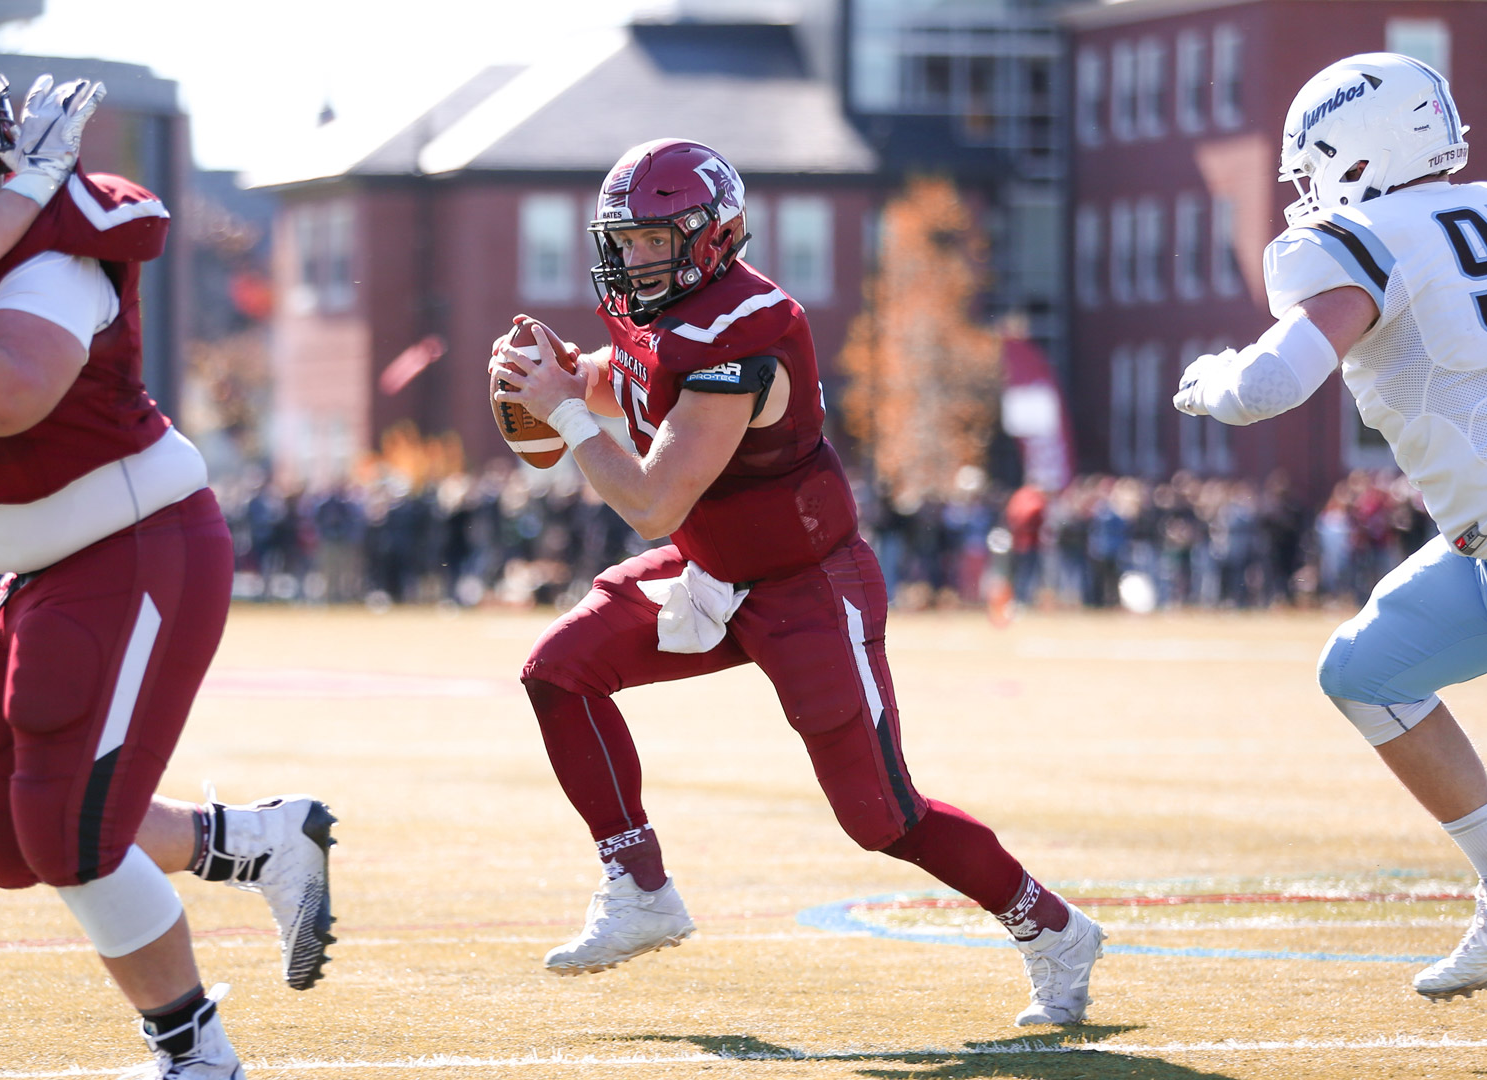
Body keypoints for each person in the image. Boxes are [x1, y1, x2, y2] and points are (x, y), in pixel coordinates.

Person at [492, 138, 1105, 1027]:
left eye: (649, 241)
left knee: (881, 816)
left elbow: (654, 501)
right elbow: (619, 376)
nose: (630, 259)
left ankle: (1053, 929)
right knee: (559, 669)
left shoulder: (745, 332)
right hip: (714, 567)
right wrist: (557, 371)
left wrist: (558, 411)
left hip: (808, 585)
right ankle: (638, 882)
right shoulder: (673, 310)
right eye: (621, 241)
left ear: (710, 236)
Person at [0, 42, 336, 1076]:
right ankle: (252, 839)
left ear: (4, 118)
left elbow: (6, 397)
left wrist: (34, 182)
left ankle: (194, 1052)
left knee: (68, 830)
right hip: (33, 560)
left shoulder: (61, 226)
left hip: (134, 538)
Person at [1174, 52, 1487, 1001]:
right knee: (1366, 670)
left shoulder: (1369, 234)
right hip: (1479, 546)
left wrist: (1209, 383)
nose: (1306, 189)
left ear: (1361, 151)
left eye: (1314, 164)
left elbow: (1274, 381)